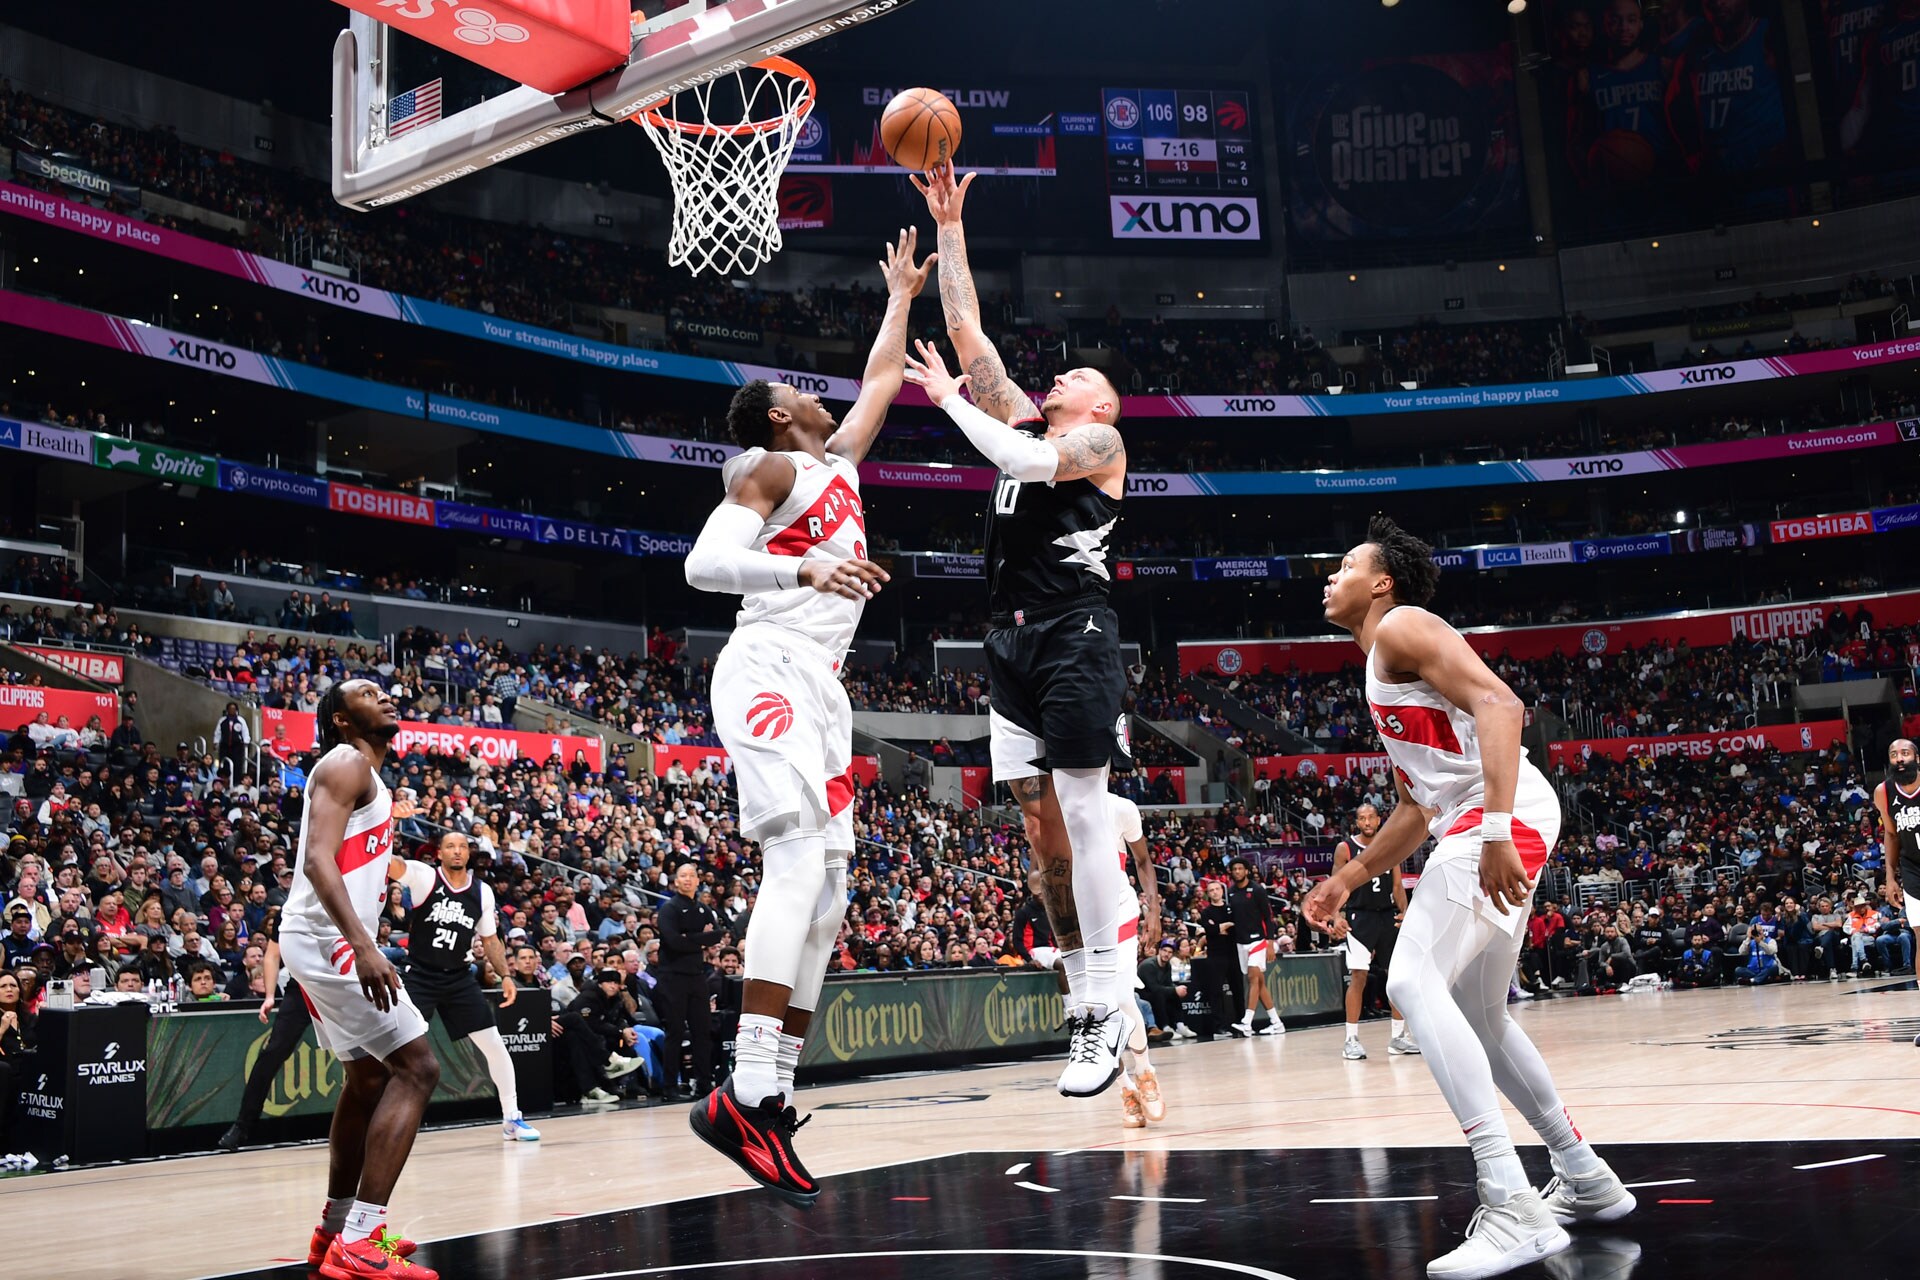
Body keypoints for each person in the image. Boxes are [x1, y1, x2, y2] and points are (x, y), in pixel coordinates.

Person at [1304, 518, 1633, 1280]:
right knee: (1482, 1019)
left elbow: (1503, 707)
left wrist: (1491, 833)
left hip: (1500, 819)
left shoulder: (1403, 628)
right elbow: (1417, 807)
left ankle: (1511, 1202)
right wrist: (1348, 879)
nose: (1330, 574)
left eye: (1345, 563)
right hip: (1487, 819)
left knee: (1411, 982)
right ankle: (1582, 1174)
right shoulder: (1379, 667)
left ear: (1382, 582)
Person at [679, 229, 930, 1204]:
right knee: (795, 866)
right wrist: (802, 564)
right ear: (782, 414)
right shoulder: (768, 470)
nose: (825, 394)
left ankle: (769, 1095)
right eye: (802, 390)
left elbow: (876, 381)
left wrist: (900, 294)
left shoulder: (838, 462)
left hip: (825, 683)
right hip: (769, 663)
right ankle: (740, 1087)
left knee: (829, 884)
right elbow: (703, 565)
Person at [907, 160, 1135, 1099]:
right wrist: (950, 228)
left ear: (1101, 407)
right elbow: (967, 332)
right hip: (1008, 641)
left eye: (1080, 374)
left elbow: (1024, 458)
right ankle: (1082, 1002)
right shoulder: (1015, 411)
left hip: (1075, 632)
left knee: (1084, 815)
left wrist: (953, 403)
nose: (1063, 372)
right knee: (1043, 838)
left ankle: (1110, 1012)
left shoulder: (1095, 447)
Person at [278, 679, 434, 1279]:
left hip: (320, 938)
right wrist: (365, 947)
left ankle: (334, 1230)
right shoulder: (344, 761)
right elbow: (318, 859)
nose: (389, 694)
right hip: (327, 939)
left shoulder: (370, 774)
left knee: (368, 1079)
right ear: (341, 720)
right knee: (418, 1068)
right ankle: (363, 1239)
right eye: (369, 693)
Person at [389, 832, 538, 1141]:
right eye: (450, 846)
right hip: (420, 975)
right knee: (398, 1048)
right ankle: (383, 1119)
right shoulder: (425, 876)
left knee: (494, 1045)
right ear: (439, 853)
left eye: (462, 847)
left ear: (469, 854)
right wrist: (393, 824)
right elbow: (389, 865)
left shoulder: (482, 892)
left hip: (459, 977)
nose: (457, 851)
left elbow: (490, 939)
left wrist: (506, 975)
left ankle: (512, 1118)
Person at [1331, 803, 1419, 1059]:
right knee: (1358, 976)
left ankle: (1398, 1037)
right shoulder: (1345, 848)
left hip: (1387, 916)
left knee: (1396, 977)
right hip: (1360, 917)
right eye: (1362, 818)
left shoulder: (1390, 843)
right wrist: (1336, 915)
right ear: (1356, 822)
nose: (1367, 822)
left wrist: (1406, 912)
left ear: (1379, 820)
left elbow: (1398, 885)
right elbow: (1336, 885)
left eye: (1371, 817)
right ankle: (1351, 1039)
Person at [1109, 792, 1167, 1130]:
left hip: (1119, 911)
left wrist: (1154, 909)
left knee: (1119, 998)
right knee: (1095, 1012)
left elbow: (1143, 861)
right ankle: (1126, 1090)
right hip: (1076, 921)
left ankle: (1145, 1072)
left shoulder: (1120, 807)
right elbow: (1037, 871)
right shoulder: (1053, 811)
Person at [1225, 856, 1283, 1036]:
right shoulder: (1232, 892)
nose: (1237, 872)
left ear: (1247, 871)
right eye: (1234, 869)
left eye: (1240, 869)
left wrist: (1271, 943)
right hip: (1240, 942)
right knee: (1259, 982)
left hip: (1259, 940)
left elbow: (1268, 917)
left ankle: (1246, 1022)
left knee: (1252, 978)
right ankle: (1277, 1022)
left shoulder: (1257, 890)